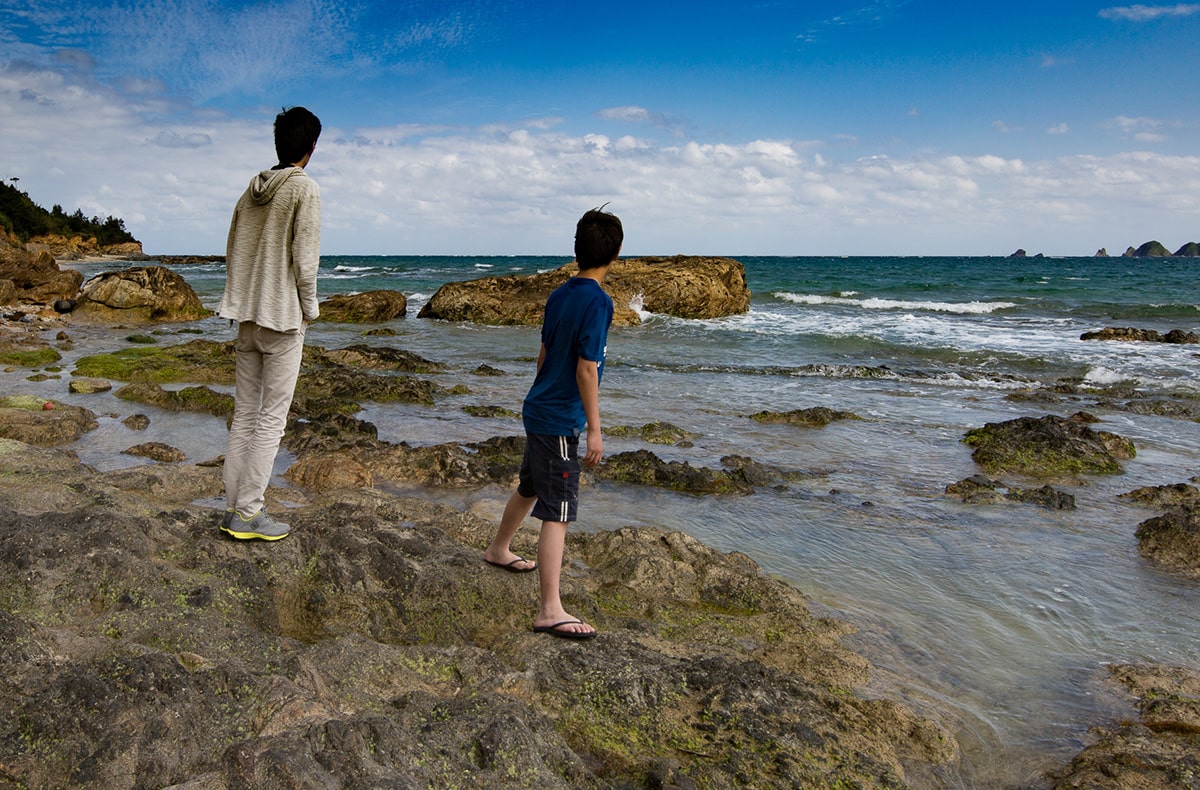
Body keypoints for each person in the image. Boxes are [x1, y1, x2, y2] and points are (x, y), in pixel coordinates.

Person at [483, 206, 623, 640]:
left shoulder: (560, 293)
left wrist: (542, 396)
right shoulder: (599, 302)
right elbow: (586, 369)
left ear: (576, 251)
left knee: (530, 485)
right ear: (615, 256)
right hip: (560, 418)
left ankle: (498, 548)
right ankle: (550, 608)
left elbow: (544, 354)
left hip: (539, 407)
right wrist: (595, 429)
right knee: (558, 511)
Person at [217, 106, 322, 541]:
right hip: (282, 321)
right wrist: (310, 310)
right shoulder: (305, 190)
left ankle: (232, 509)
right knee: (271, 419)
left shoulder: (249, 193)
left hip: (247, 318)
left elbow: (231, 251)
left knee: (245, 414)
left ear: (279, 143)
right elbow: (306, 261)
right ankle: (249, 512)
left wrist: (243, 297)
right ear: (311, 148)